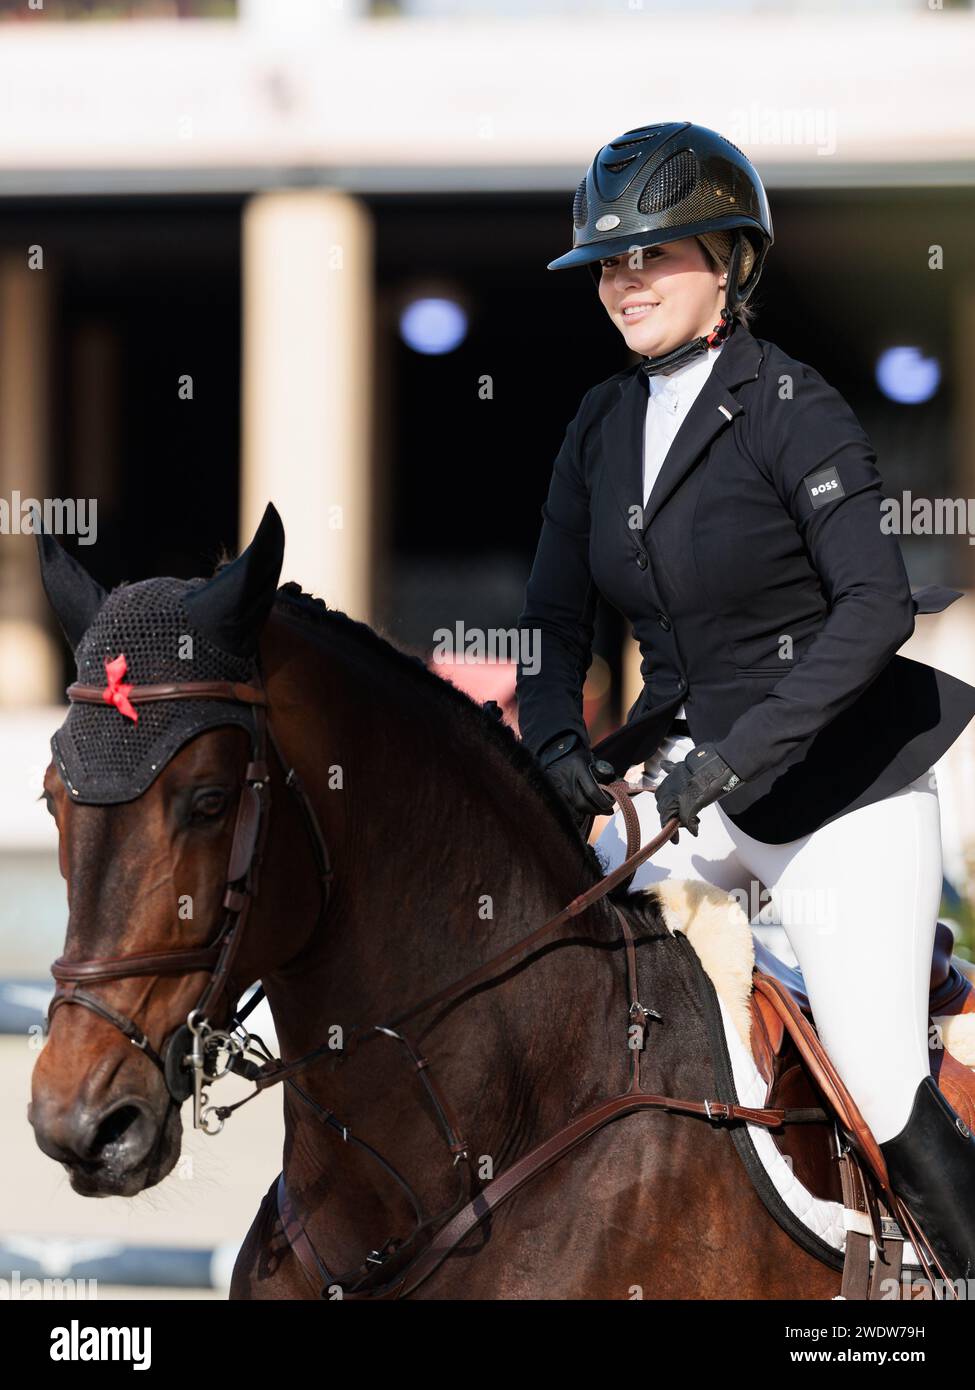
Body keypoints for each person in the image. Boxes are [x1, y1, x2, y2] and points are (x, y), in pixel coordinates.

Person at [515, 121, 975, 1284]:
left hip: (838, 793)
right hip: (684, 781)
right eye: (611, 264)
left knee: (877, 1067)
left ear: (727, 262)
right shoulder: (598, 425)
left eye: (651, 257)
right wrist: (554, 739)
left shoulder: (790, 405)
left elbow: (873, 609)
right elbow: (557, 623)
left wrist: (736, 756)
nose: (624, 283)